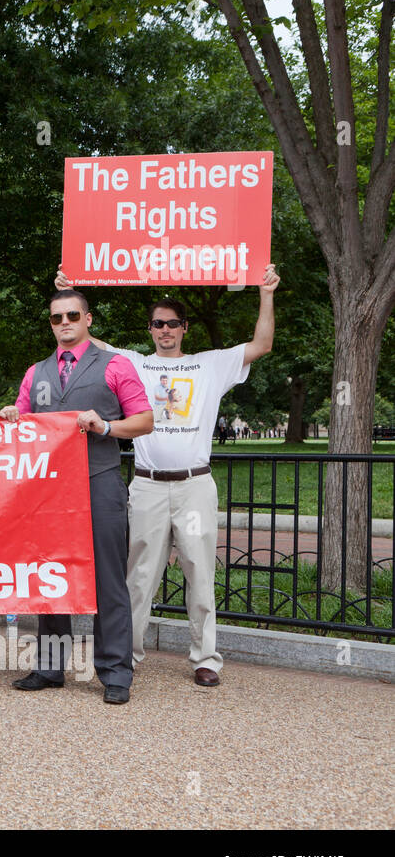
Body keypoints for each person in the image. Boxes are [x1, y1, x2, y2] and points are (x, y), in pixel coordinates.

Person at [57, 265, 279, 687]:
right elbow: (84, 337)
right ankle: (128, 653)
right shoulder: (135, 363)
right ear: (151, 329)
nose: (165, 330)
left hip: (194, 484)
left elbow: (262, 344)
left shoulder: (209, 365)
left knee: (199, 570)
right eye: (158, 324)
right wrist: (73, 291)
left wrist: (265, 292)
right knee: (138, 575)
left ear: (184, 328)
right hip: (147, 484)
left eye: (172, 323)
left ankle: (205, 658)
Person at [0, 285, 153, 704]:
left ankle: (116, 672)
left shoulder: (115, 366)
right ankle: (51, 668)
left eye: (71, 316)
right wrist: (13, 417)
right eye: (56, 318)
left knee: (108, 581)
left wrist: (106, 426)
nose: (64, 324)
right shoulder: (36, 372)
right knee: (50, 576)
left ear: (88, 320)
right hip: (49, 490)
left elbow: (144, 421)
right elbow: (25, 425)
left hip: (99, 481)